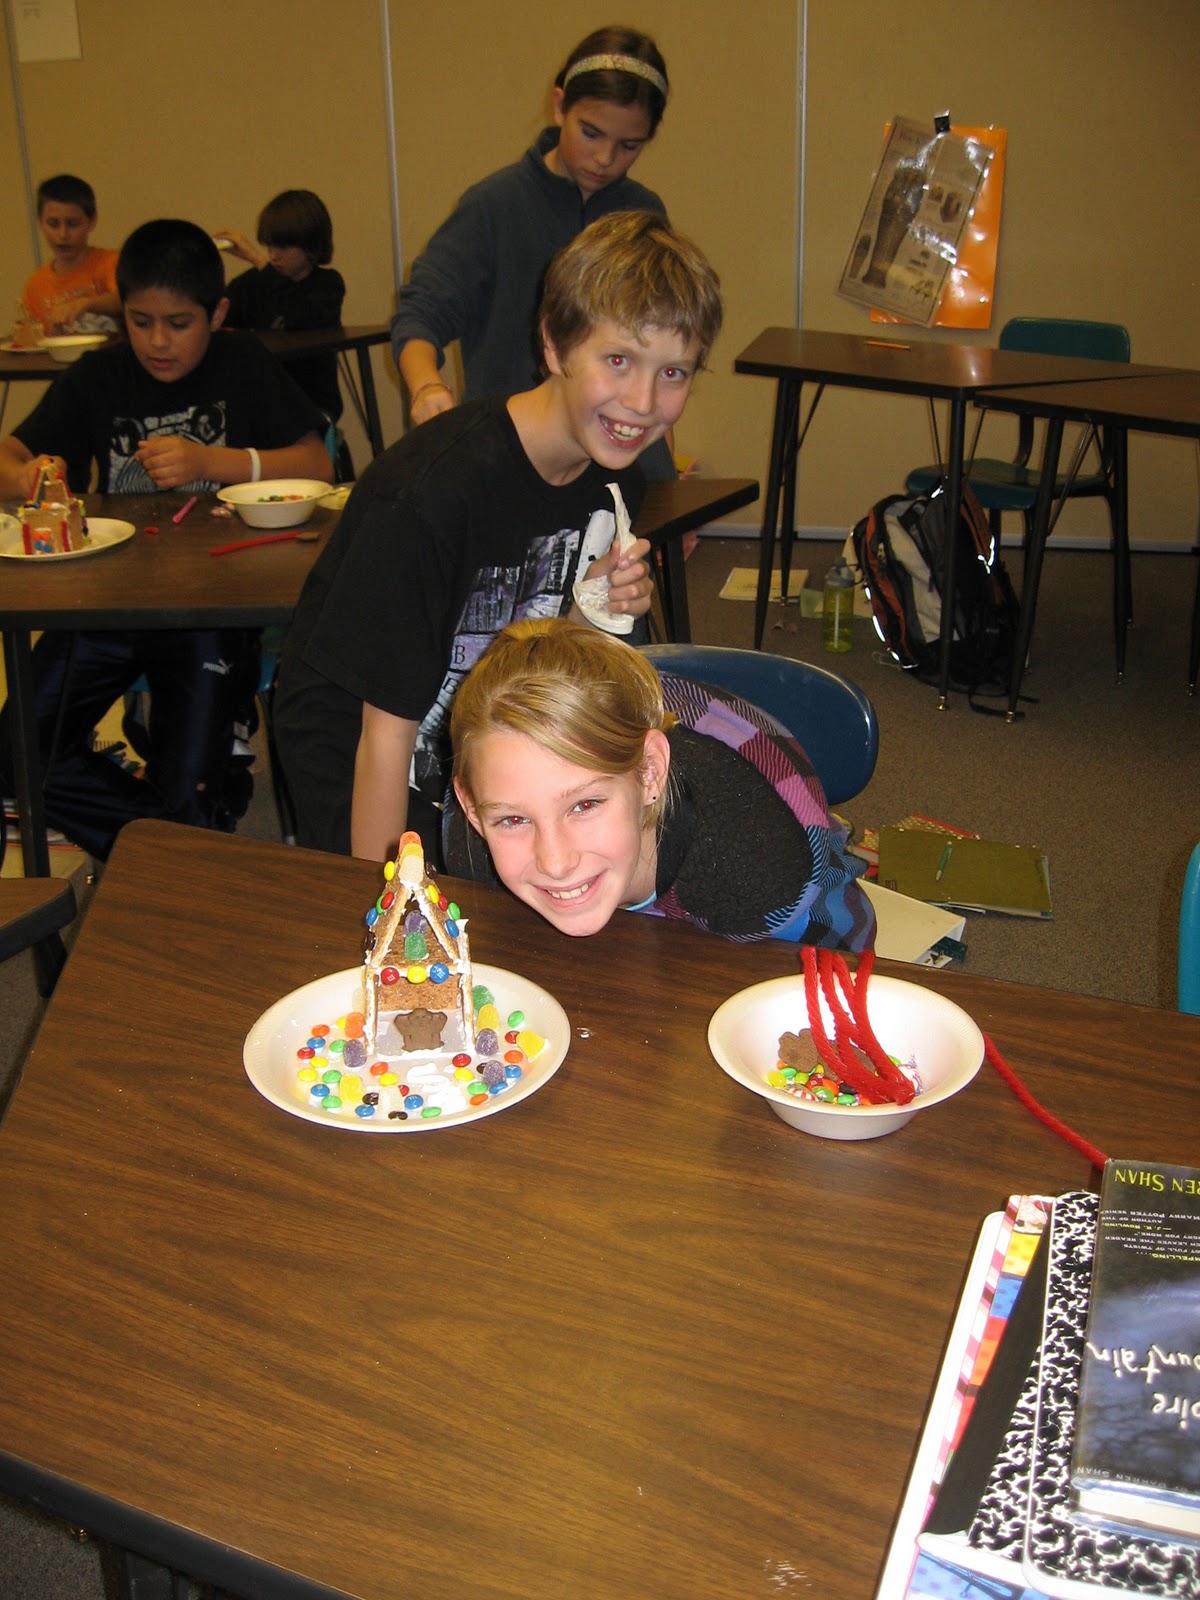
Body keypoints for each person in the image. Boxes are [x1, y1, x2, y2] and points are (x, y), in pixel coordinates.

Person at [274, 209, 722, 864]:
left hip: (489, 734)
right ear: (554, 346)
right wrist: (390, 900)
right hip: (363, 749)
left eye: (674, 373)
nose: (644, 402)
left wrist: (590, 612)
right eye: (619, 360)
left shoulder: (616, 481)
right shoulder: (430, 497)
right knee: (432, 908)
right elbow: (383, 739)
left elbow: (549, 664)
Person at [0, 219, 331, 861]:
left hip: (214, 610)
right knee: (16, 756)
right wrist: (27, 475)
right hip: (107, 602)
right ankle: (179, 850)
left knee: (189, 785)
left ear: (217, 314)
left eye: (179, 324)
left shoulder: (243, 363)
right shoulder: (99, 375)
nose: (157, 341)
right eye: (139, 321)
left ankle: (181, 839)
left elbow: (317, 462)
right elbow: (9, 457)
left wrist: (213, 461)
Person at [446, 618, 876, 950]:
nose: (555, 862)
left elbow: (843, 972)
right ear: (472, 809)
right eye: (514, 820)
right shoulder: (472, 855)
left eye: (585, 805)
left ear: (650, 772)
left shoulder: (757, 868)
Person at [389, 25, 676, 476]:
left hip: (624, 458)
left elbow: (664, 345)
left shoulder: (645, 214)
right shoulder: (494, 205)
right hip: (515, 459)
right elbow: (421, 312)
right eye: (591, 133)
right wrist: (426, 388)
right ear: (560, 106)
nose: (605, 158)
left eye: (628, 146)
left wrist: (666, 471)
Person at [214, 189, 347, 436]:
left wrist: (257, 259)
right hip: (263, 397)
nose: (274, 255)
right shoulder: (252, 283)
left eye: (283, 247)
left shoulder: (328, 285)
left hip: (311, 400)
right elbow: (215, 316)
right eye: (269, 246)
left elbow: (300, 315)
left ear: (310, 246)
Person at [18, 174, 120, 335]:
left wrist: (86, 304)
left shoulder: (110, 263)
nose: (63, 234)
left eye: (73, 224)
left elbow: (128, 301)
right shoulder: (35, 286)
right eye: (53, 224)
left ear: (92, 221)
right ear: (40, 222)